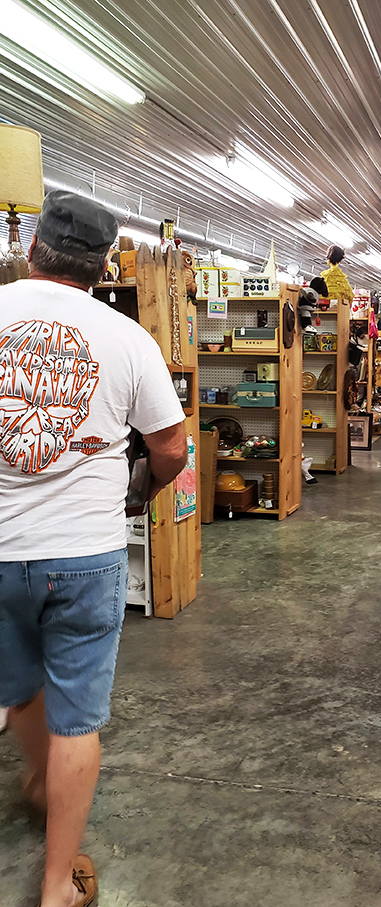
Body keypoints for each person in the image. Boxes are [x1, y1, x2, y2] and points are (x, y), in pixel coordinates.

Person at [0, 190, 188, 907]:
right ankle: (56, 888)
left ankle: (43, 779)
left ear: (31, 249)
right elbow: (172, 449)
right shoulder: (127, 338)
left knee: (17, 688)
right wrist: (138, 484)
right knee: (77, 718)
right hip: (84, 551)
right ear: (104, 266)